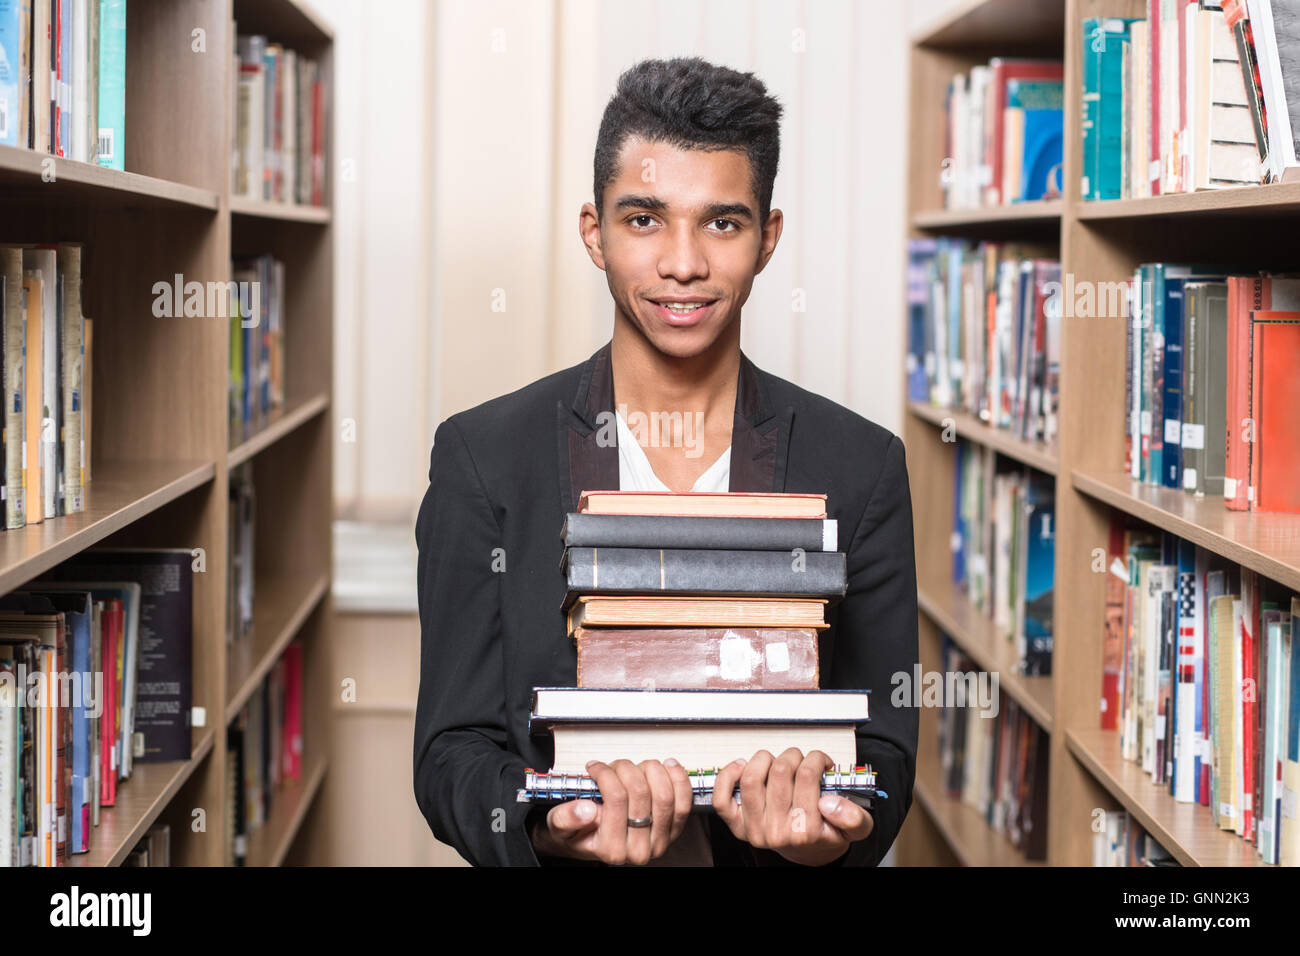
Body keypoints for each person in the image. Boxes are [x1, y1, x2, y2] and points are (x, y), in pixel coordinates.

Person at [414, 56, 917, 866]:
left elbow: (887, 753)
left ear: (767, 238)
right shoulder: (484, 459)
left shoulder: (861, 465)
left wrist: (822, 841)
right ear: (595, 233)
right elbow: (450, 755)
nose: (683, 263)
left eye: (722, 222)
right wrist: (550, 824)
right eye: (644, 219)